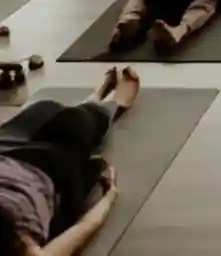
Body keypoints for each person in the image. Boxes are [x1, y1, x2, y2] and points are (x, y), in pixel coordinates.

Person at [0, 66, 140, 256]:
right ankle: (111, 103)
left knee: (43, 108)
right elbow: (83, 229)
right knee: (76, 122)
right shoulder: (19, 246)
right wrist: (110, 196)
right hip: (47, 169)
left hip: (6, 151)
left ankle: (95, 97)